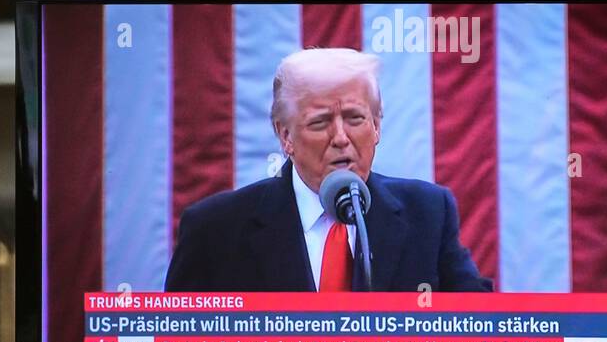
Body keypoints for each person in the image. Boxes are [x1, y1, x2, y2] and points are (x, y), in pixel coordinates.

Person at [163, 47, 492, 295]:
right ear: (285, 136)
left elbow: (487, 338)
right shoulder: (215, 229)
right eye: (320, 122)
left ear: (376, 126)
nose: (340, 138)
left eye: (355, 118)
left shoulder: (428, 213)